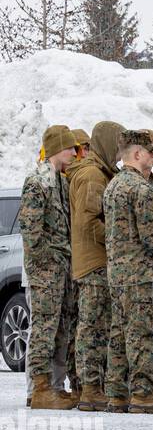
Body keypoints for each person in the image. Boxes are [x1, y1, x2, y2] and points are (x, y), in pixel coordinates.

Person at [104, 131, 153, 413]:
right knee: (145, 334)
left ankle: (117, 393)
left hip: (118, 273)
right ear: (136, 154)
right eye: (151, 150)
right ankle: (142, 394)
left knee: (120, 334)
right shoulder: (141, 189)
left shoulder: (114, 186)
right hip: (142, 274)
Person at [18, 125, 80, 410]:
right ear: (57, 148)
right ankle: (39, 388)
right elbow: (31, 232)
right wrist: (47, 262)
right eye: (70, 148)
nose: (75, 153)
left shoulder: (61, 182)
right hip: (46, 271)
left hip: (62, 267)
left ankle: (54, 386)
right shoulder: (38, 181)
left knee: (59, 328)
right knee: (43, 328)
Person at [67, 121, 125, 411]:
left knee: (97, 325)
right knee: (94, 327)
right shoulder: (92, 176)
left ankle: (92, 385)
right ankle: (89, 388)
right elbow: (89, 223)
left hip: (98, 261)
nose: (120, 152)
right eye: (118, 145)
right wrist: (120, 236)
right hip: (95, 263)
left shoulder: (100, 172)